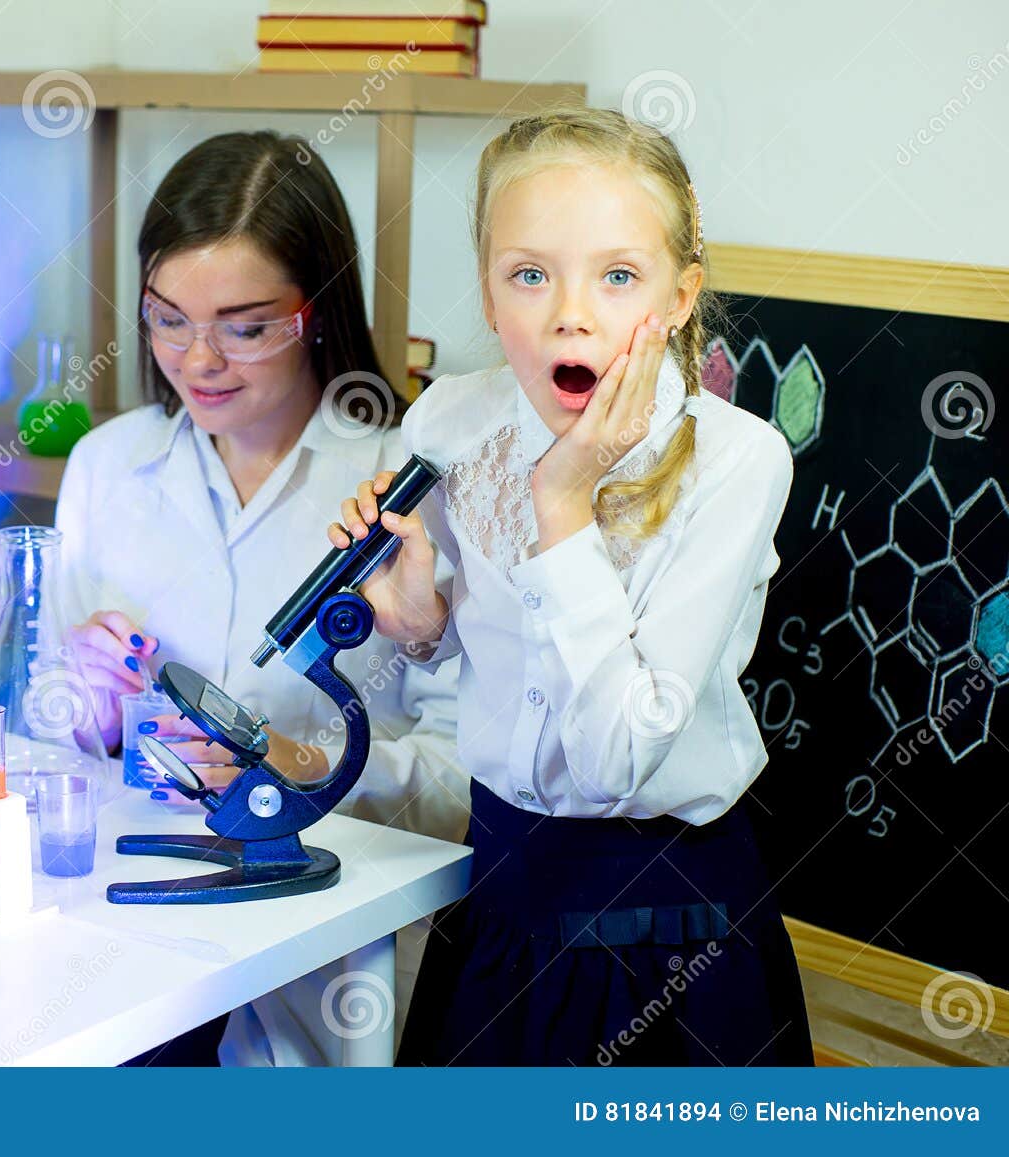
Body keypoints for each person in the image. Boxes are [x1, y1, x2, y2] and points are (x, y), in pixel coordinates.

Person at [331, 107, 813, 1065]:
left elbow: (617, 756)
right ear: (489, 291)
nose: (570, 313)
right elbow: (478, 651)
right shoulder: (448, 423)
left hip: (670, 924)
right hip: (503, 889)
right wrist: (422, 622)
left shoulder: (737, 461)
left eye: (619, 276)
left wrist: (563, 502)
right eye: (529, 274)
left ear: (682, 295)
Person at [55, 132, 468, 1066]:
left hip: (318, 972)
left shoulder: (402, 489)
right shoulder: (106, 468)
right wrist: (87, 706)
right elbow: (48, 744)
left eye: (244, 326)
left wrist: (296, 759)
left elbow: (459, 789)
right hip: (119, 959)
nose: (198, 360)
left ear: (315, 311)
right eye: (166, 319)